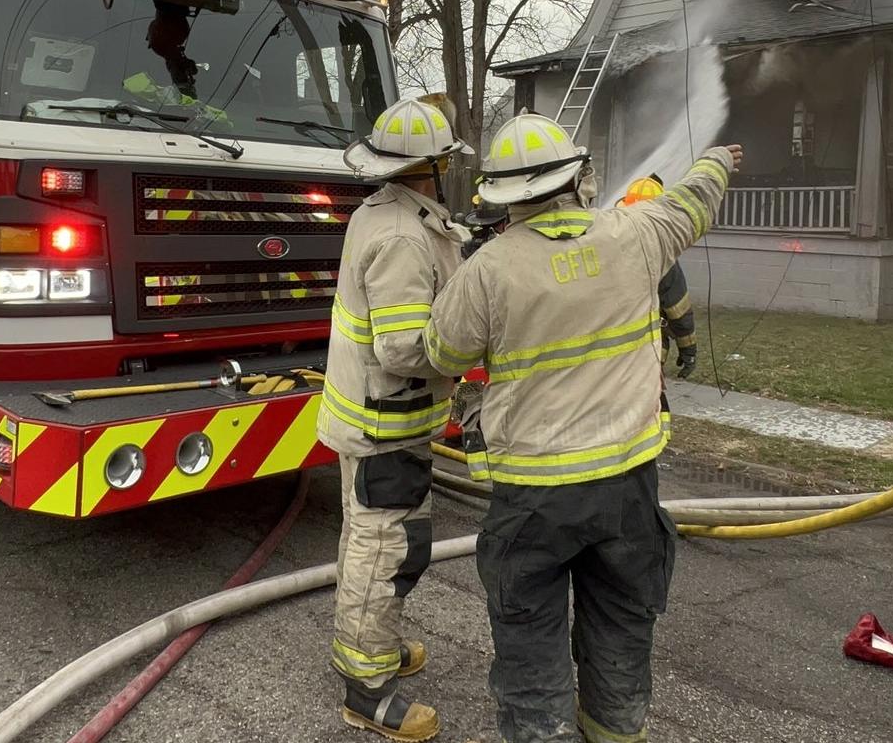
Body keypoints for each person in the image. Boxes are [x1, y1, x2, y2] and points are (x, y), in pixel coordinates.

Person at [424, 114, 740, 743]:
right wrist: (719, 161)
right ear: (576, 178)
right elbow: (694, 201)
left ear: (505, 196)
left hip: (534, 493)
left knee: (529, 636)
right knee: (622, 625)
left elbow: (442, 355)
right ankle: (615, 732)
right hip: (628, 486)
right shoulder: (638, 231)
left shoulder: (488, 269)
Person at [317, 94, 472, 742]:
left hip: (387, 420)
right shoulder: (405, 237)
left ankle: (369, 645)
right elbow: (405, 347)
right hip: (387, 424)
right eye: (445, 164)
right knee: (384, 550)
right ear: (430, 168)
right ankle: (367, 688)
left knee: (385, 543)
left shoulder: (390, 215)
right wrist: (470, 338)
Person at [619, 175, 698, 377]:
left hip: (607, 358)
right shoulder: (661, 255)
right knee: (652, 404)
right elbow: (677, 307)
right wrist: (688, 349)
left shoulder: (604, 243)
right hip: (647, 353)